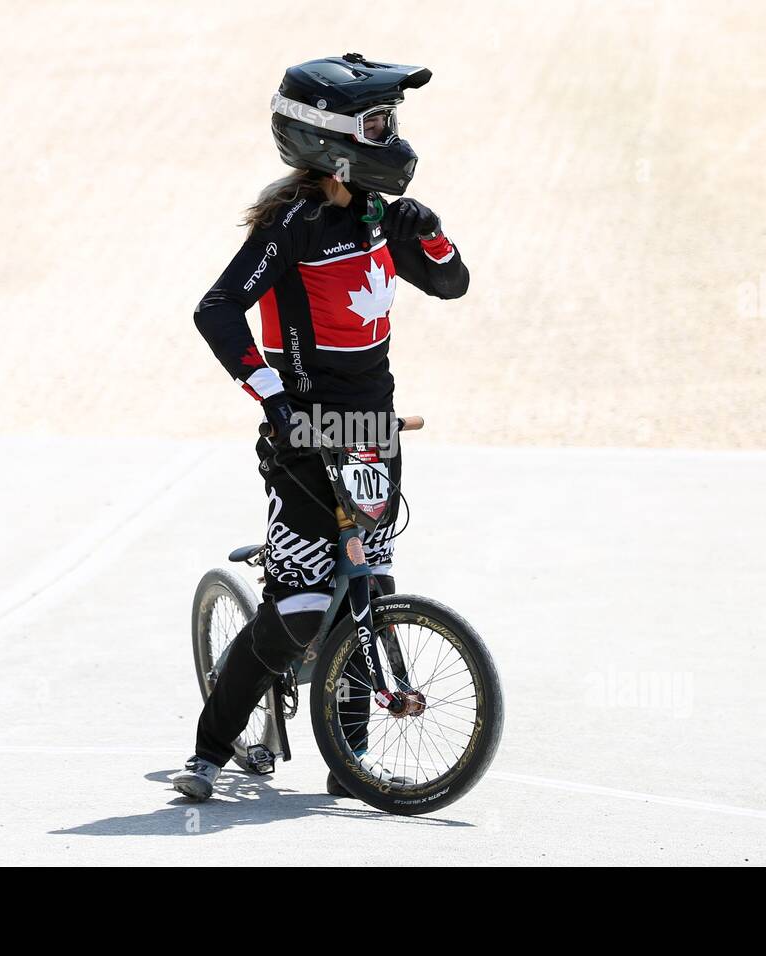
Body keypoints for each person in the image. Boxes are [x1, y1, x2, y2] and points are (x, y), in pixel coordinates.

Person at [172, 53, 469, 801]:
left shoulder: (378, 211)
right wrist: (269, 392)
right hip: (302, 436)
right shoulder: (294, 224)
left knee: (370, 585)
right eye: (378, 122)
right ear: (328, 139)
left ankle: (352, 756)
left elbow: (451, 282)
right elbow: (216, 309)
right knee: (302, 610)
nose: (391, 135)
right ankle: (209, 749)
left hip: (373, 428)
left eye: (390, 120)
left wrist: (429, 233)